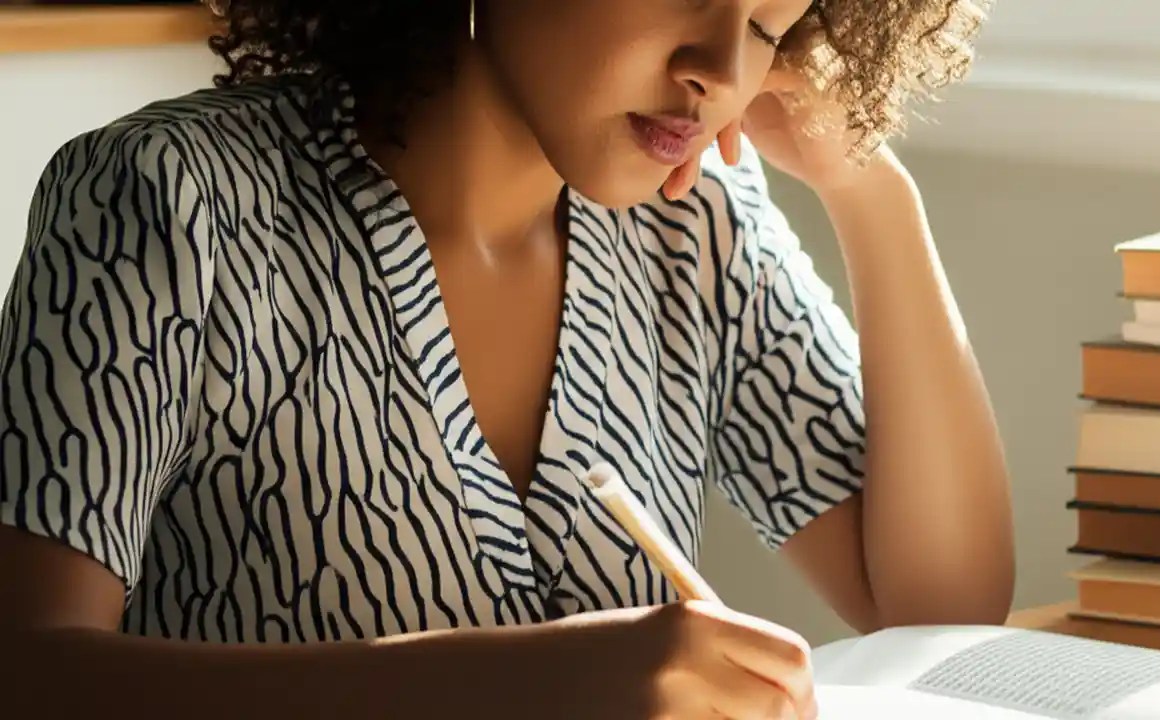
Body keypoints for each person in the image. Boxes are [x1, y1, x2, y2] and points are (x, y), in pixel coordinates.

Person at [0, 0, 1014, 718]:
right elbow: (27, 674)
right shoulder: (168, 196)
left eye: (765, 26)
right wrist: (524, 683)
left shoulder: (694, 222)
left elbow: (940, 608)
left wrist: (867, 187)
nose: (718, 70)